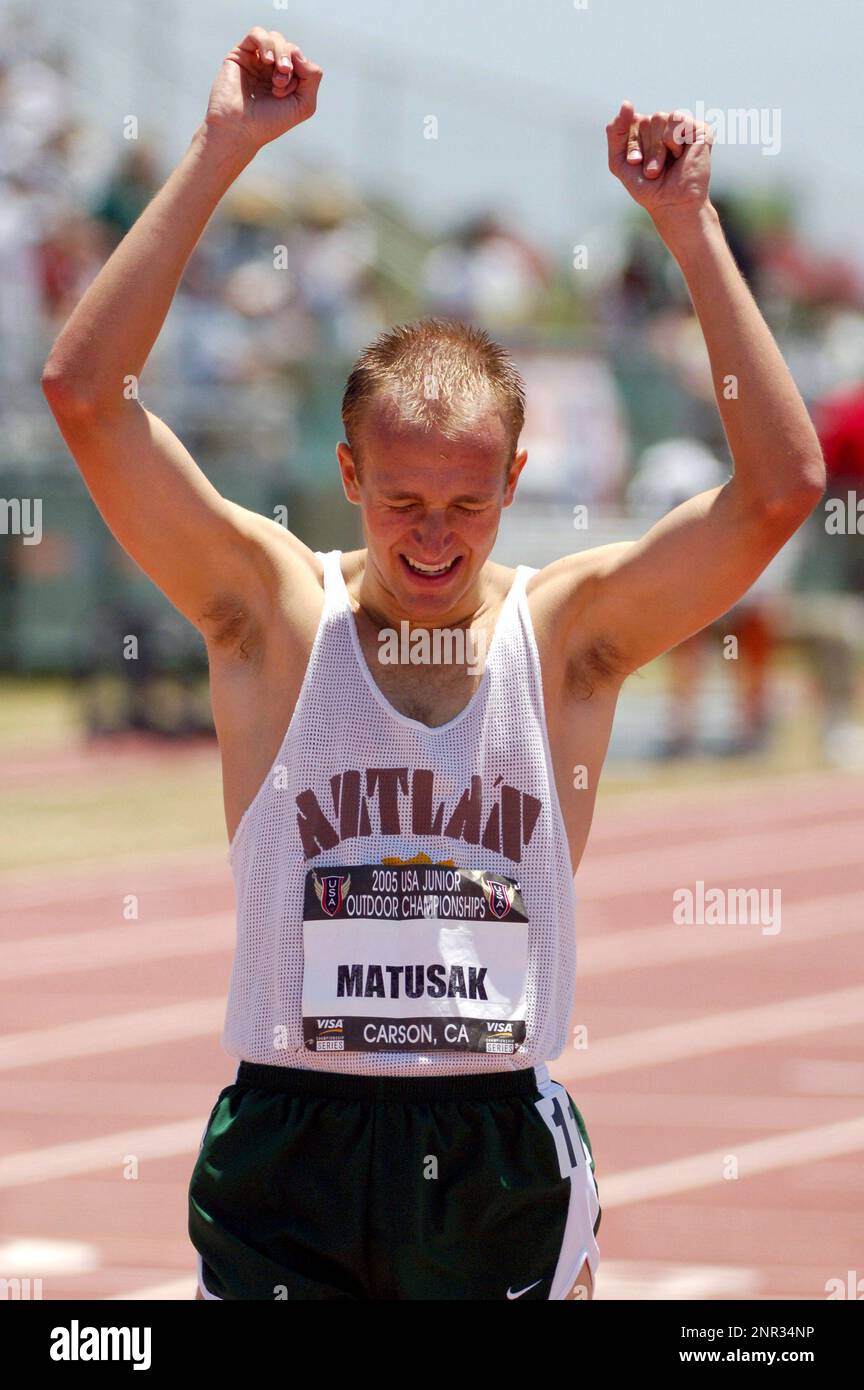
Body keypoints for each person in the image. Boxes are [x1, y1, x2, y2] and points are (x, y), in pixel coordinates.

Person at [41, 30, 826, 1301]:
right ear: (347, 476)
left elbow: (782, 489)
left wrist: (689, 229)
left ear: (517, 482)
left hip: (496, 1154)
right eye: (401, 498)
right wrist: (221, 149)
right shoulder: (270, 615)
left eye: (467, 504)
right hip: (293, 1138)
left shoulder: (570, 638)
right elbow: (86, 393)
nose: (431, 536)